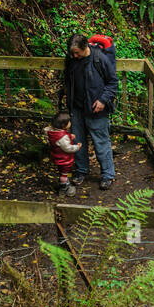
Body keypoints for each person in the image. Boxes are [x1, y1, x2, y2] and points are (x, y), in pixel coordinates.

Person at [59, 32, 118, 190]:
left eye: (77, 52)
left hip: (96, 108)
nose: (74, 55)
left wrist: (103, 100)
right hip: (76, 108)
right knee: (78, 141)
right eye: (72, 53)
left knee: (101, 142)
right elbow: (67, 79)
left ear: (85, 47)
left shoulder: (100, 59)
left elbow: (113, 83)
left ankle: (107, 174)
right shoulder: (71, 60)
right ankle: (81, 171)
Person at [43, 112, 82, 196]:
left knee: (62, 171)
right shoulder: (62, 137)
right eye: (69, 122)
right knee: (64, 173)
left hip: (57, 156)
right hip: (64, 159)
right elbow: (67, 148)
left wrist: (69, 136)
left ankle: (63, 183)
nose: (70, 123)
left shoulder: (53, 132)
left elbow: (59, 140)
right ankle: (64, 187)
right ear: (64, 125)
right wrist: (77, 147)